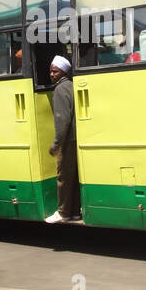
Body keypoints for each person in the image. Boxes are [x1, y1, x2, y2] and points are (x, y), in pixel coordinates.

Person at [45, 55, 81, 224]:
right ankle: (74, 212)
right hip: (76, 139)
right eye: (51, 71)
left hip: (68, 141)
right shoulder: (71, 86)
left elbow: (62, 119)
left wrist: (56, 144)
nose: (52, 74)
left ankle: (63, 212)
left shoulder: (60, 89)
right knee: (73, 177)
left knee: (64, 177)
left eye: (55, 71)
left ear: (63, 72)